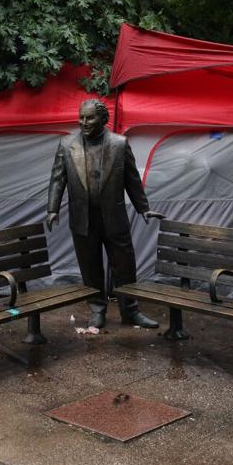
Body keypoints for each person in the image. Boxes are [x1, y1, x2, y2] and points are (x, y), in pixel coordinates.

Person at [46, 99, 159, 330]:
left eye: (89, 118)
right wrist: (52, 209)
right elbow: (58, 179)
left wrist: (143, 208)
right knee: (90, 266)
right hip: (82, 218)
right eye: (81, 117)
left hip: (114, 216)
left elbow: (132, 180)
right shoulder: (67, 145)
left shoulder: (119, 144)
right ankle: (97, 310)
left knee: (125, 265)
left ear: (103, 119)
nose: (84, 122)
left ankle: (130, 311)